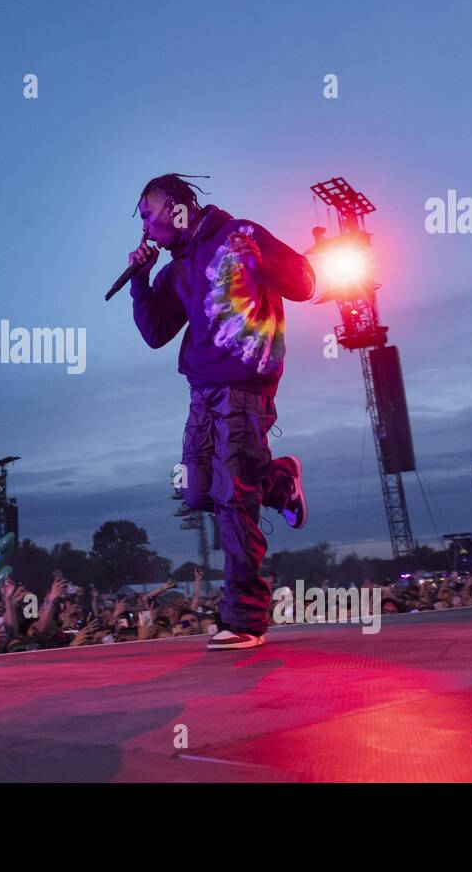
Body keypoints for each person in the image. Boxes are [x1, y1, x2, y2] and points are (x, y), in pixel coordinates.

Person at [128, 174, 314, 650]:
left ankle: (245, 619)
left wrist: (263, 265)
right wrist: (141, 283)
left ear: (175, 206)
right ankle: (279, 480)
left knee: (234, 495)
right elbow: (154, 333)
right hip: (201, 388)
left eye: (148, 213)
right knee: (196, 492)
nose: (144, 225)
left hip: (245, 381)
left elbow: (306, 282)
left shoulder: (241, 236)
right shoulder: (177, 269)